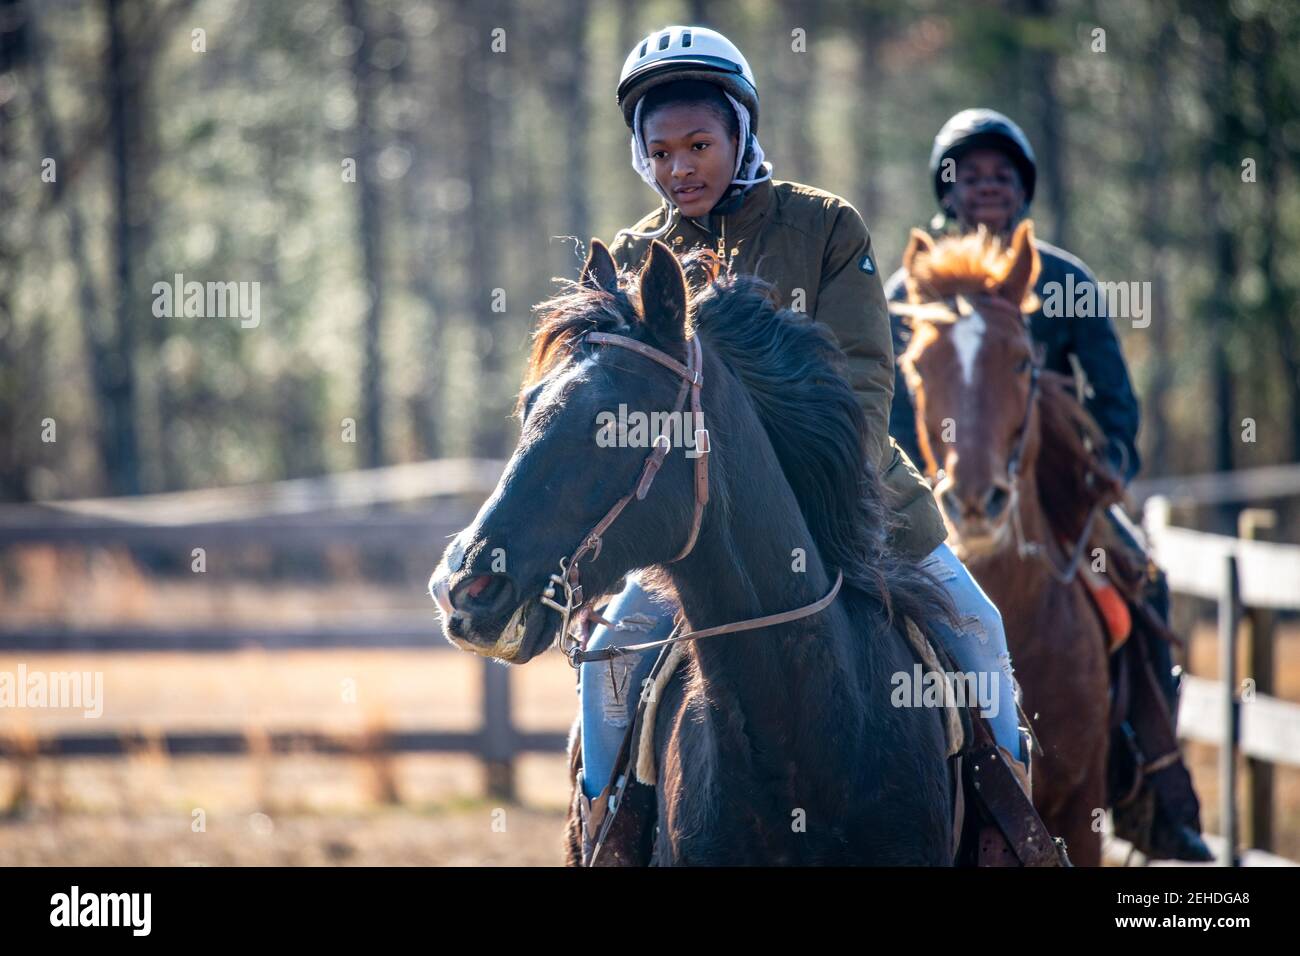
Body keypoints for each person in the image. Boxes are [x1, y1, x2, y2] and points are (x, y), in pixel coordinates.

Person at [575, 27, 1032, 863]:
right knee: (607, 660)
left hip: (862, 503)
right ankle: (604, 832)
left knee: (981, 626)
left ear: (742, 131)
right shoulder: (641, 256)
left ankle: (1012, 830)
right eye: (662, 150)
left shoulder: (827, 226)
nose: (683, 168)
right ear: (641, 156)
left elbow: (866, 381)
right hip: (695, 528)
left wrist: (782, 489)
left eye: (701, 144)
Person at [884, 108, 1212, 863]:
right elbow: (892, 410)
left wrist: (1113, 468)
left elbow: (1116, 400)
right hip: (930, 494)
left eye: (1002, 175)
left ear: (1023, 188)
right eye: (971, 176)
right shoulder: (910, 290)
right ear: (948, 188)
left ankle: (1155, 782)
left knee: (1143, 582)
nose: (987, 187)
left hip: (1057, 487)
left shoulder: (1062, 279)